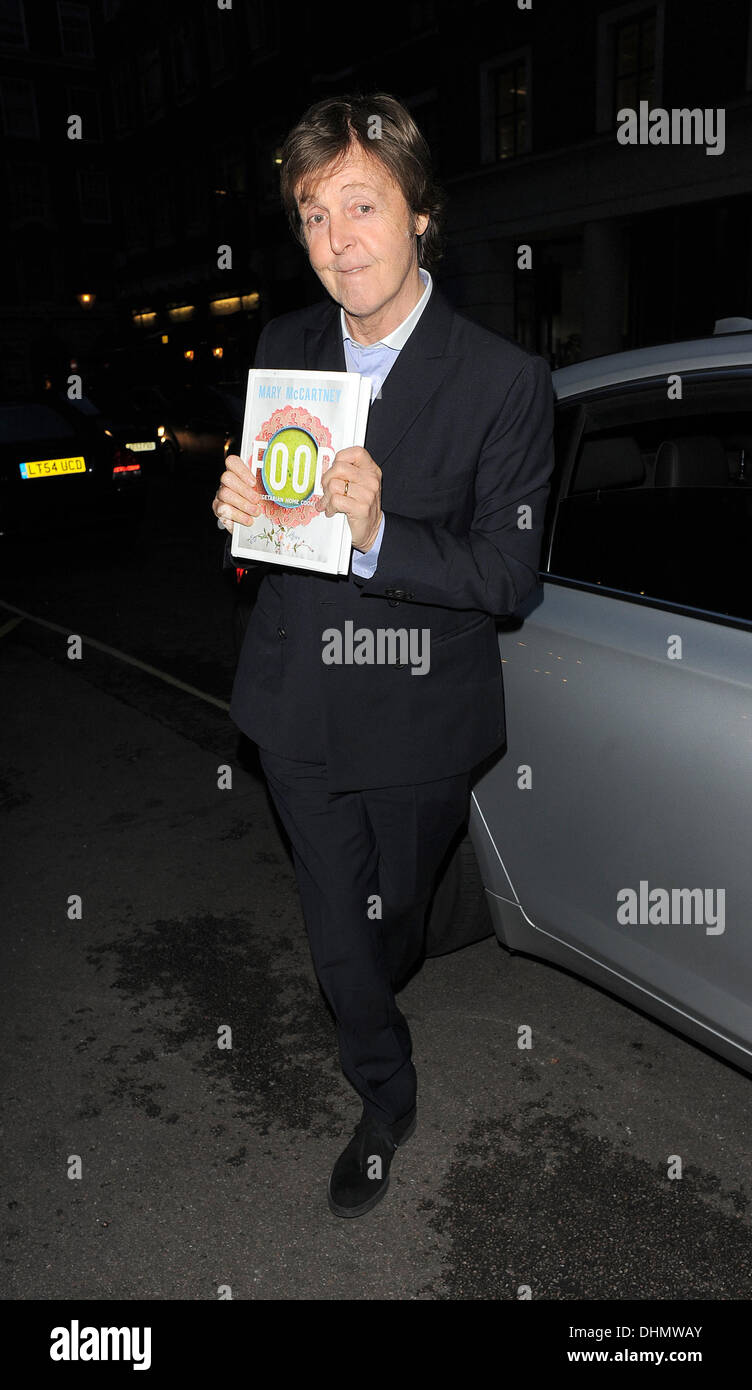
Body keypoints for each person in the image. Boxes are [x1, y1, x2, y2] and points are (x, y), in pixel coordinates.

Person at [212, 92, 554, 1218]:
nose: (333, 240)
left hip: (414, 717)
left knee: (388, 916)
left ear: (419, 218)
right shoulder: (284, 348)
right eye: (312, 215)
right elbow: (267, 534)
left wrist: (377, 537)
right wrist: (242, 518)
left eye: (360, 206)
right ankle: (384, 1094)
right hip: (295, 710)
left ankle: (422, 920)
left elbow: (505, 579)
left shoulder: (501, 382)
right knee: (342, 944)